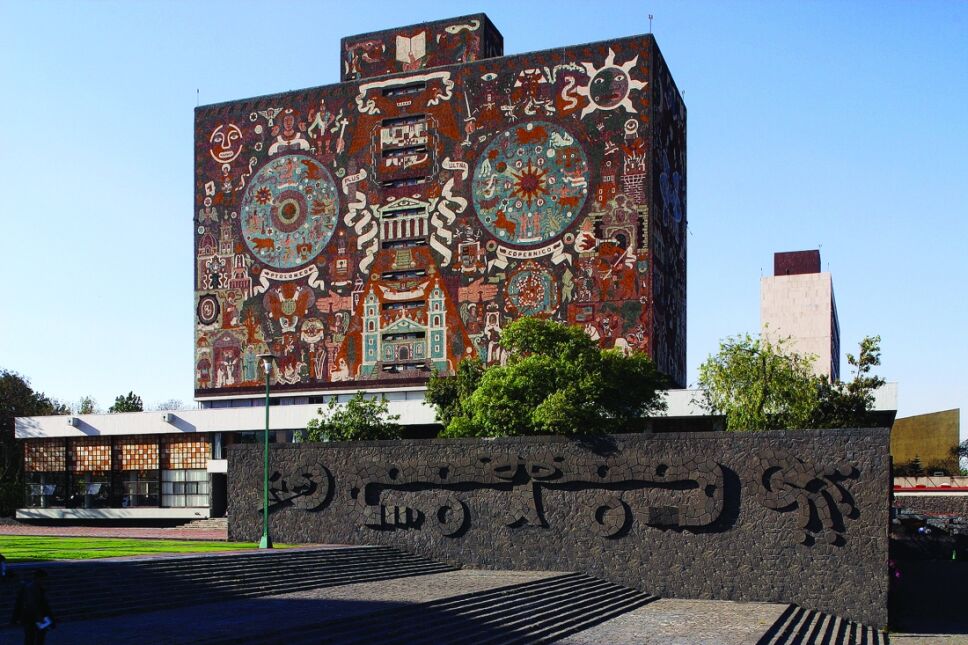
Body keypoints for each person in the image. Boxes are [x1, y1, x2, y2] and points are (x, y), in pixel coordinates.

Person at [11, 569, 55, 645]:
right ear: (39, 578)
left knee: (35, 637)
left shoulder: (35, 587)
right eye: (44, 579)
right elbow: (32, 604)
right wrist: (39, 616)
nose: (45, 581)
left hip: (33, 616)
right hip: (32, 617)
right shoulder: (32, 588)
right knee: (32, 637)